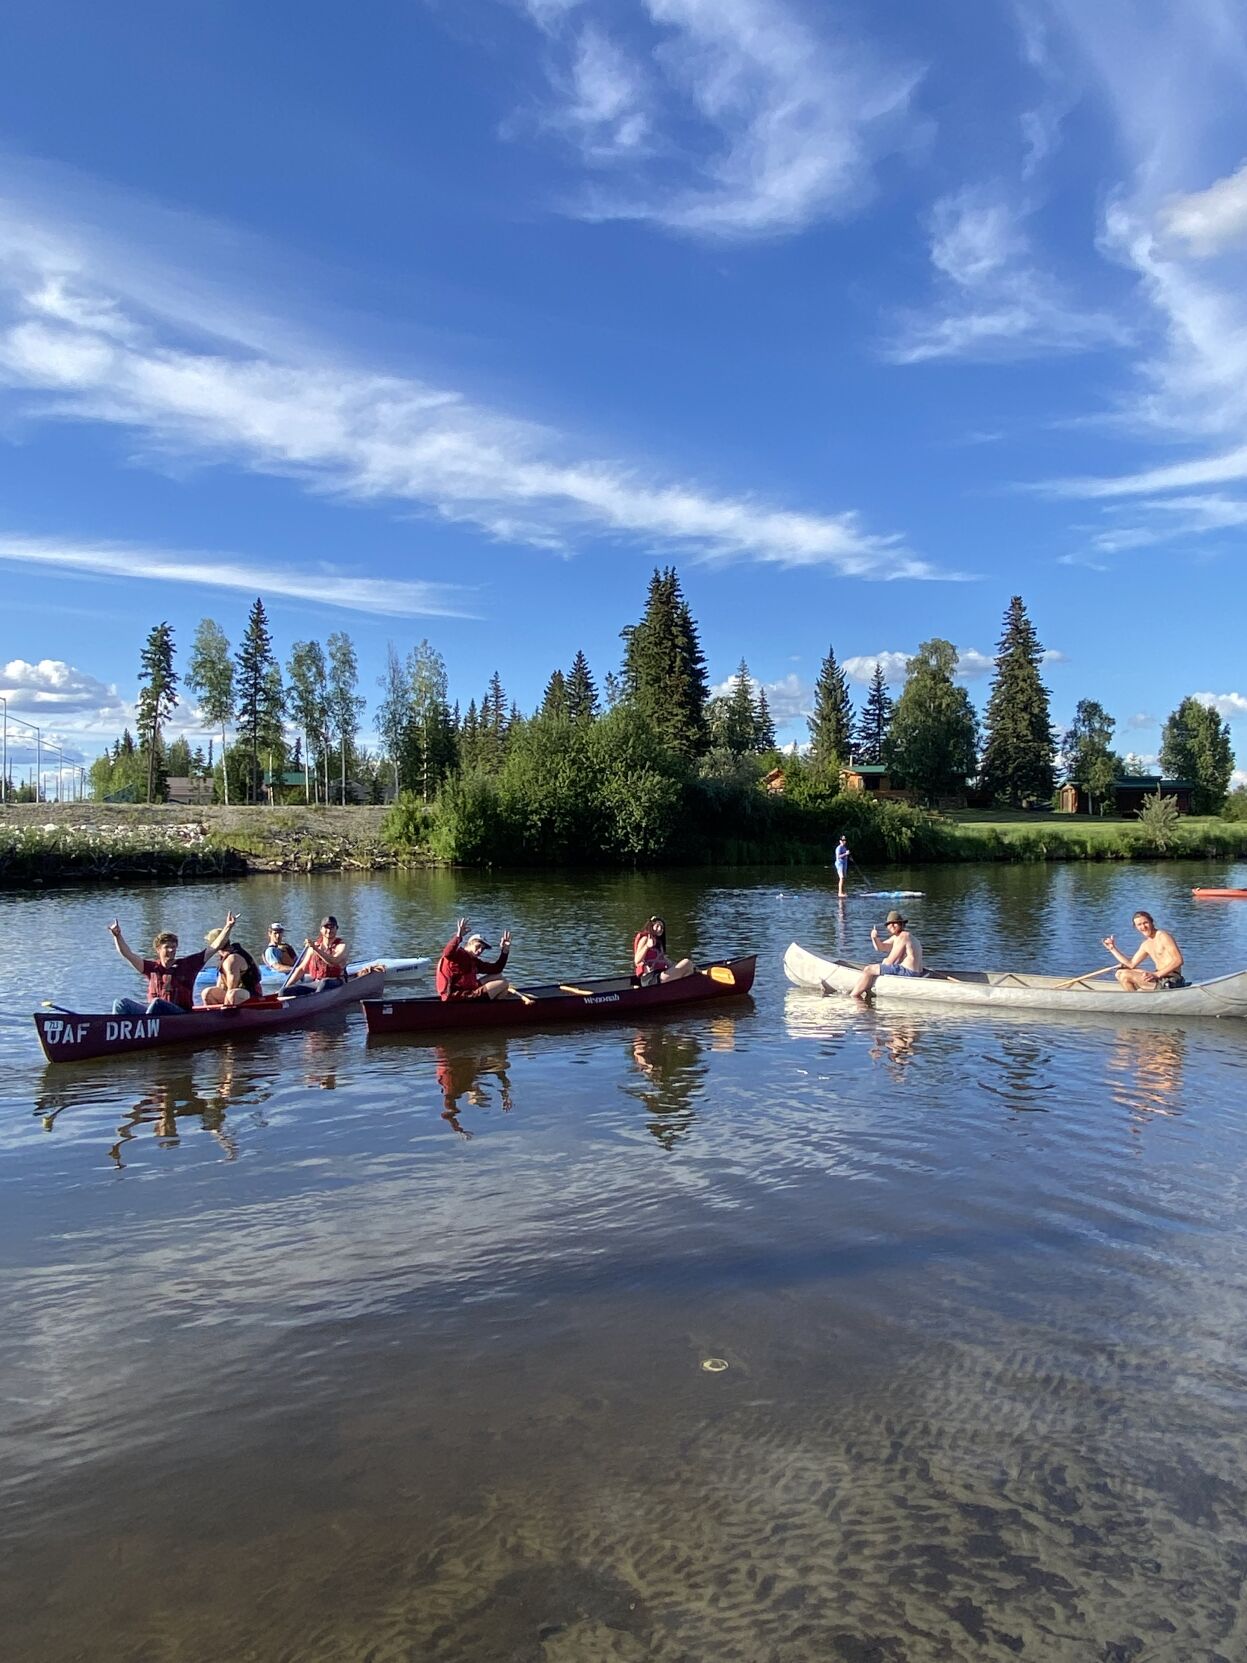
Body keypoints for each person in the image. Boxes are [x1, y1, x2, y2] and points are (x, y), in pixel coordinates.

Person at [109, 912, 237, 1017]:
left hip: (180, 1015)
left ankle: (147, 1031)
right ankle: (116, 1033)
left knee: (157, 1003)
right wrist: (117, 936)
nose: (171, 950)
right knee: (121, 1004)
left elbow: (214, 947)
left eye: (174, 947)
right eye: (167, 947)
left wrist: (228, 927)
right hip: (154, 1015)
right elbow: (127, 954)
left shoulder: (188, 965)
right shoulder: (151, 968)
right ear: (158, 949)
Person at [844, 909, 925, 1002]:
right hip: (916, 972)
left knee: (868, 969)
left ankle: (853, 997)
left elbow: (891, 960)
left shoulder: (903, 936)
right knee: (878, 966)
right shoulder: (899, 937)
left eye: (896, 923)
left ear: (902, 924)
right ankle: (863, 987)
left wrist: (882, 965)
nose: (892, 926)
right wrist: (874, 938)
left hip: (909, 972)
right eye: (890, 924)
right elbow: (881, 947)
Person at [436, 918, 524, 1001]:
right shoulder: (457, 955)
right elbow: (447, 953)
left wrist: (505, 951)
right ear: (469, 944)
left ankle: (494, 1002)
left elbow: (497, 968)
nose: (479, 951)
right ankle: (492, 1008)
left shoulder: (474, 960)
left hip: (467, 990)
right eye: (477, 946)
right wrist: (458, 936)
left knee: (498, 976)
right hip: (456, 996)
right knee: (504, 983)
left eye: (482, 949)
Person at [1102, 911, 1186, 991]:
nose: (1143, 927)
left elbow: (1178, 960)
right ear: (1136, 927)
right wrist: (1112, 948)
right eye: (1139, 924)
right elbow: (1131, 964)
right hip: (1160, 978)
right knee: (1120, 972)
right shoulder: (1146, 944)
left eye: (1145, 923)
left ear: (1151, 922)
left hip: (1172, 980)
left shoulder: (1163, 936)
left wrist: (1156, 975)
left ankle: (1136, 1001)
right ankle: (1137, 997)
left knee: (1124, 975)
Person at [284, 916, 350, 996]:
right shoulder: (314, 946)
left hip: (336, 981)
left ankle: (314, 1001)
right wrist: (286, 986)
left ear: (336, 928)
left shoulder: (342, 945)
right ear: (321, 929)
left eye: (332, 927)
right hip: (317, 983)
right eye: (326, 927)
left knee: (324, 983)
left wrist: (315, 948)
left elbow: (333, 961)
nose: (329, 930)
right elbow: (301, 969)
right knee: (285, 991)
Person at [202, 937, 264, 1007]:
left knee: (232, 994)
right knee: (207, 993)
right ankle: (211, 1015)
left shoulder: (233, 959)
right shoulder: (224, 957)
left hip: (251, 995)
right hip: (235, 995)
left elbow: (232, 987)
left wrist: (224, 1007)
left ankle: (228, 1015)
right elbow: (220, 986)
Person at [632, 916, 695, 986]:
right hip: (650, 978)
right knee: (687, 963)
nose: (660, 929)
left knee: (688, 969)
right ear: (651, 926)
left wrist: (680, 966)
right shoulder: (645, 939)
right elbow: (637, 960)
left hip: (660, 976)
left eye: (662, 927)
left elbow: (667, 962)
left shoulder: (658, 944)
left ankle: (681, 990)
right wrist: (647, 946)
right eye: (657, 926)